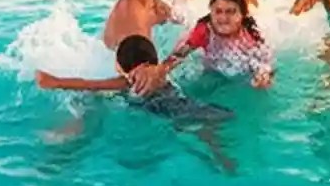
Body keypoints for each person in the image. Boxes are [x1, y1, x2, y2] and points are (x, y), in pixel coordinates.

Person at [36, 35, 232, 123]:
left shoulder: (127, 81)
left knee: (191, 124)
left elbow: (91, 84)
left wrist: (56, 81)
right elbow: (181, 55)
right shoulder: (160, 73)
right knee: (204, 120)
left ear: (122, 67)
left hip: (164, 109)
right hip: (178, 100)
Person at [163, 0, 274, 88]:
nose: (223, 18)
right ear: (211, 11)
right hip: (213, 72)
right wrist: (161, 72)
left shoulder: (250, 32)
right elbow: (179, 54)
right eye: (218, 11)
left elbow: (265, 60)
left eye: (230, 12)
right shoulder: (205, 30)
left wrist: (264, 75)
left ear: (242, 14)